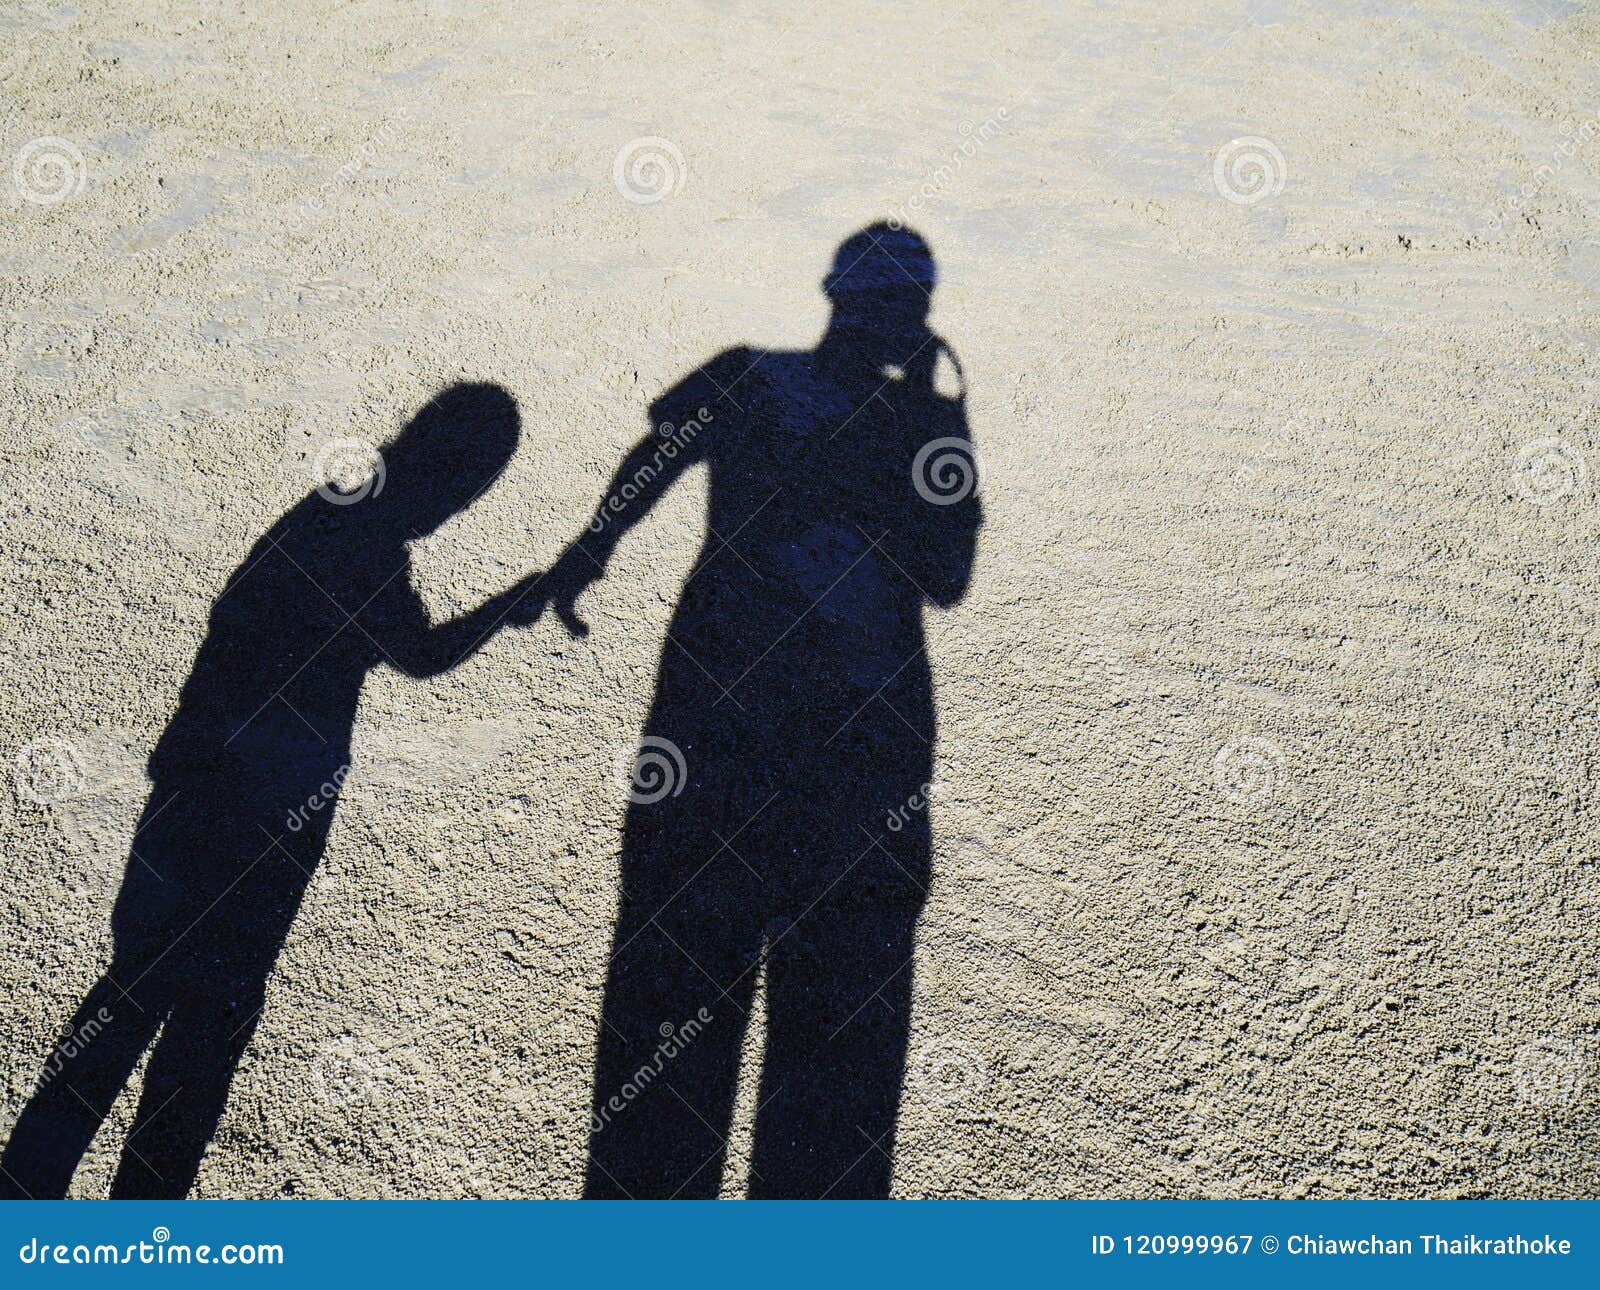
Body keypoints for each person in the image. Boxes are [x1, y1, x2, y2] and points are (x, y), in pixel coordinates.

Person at [1, 383, 543, 1199]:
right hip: (269, 808)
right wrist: (515, 599)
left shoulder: (325, 515)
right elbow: (422, 654)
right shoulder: (367, 550)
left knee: (134, 987)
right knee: (211, 1022)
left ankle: (23, 1191)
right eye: (470, 488)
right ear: (450, 481)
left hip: (191, 784)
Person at [532, 225, 982, 1197]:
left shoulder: (750, 379)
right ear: (916, 317)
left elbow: (655, 454)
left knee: (664, 1056)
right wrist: (949, 434)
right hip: (861, 773)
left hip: (713, 744)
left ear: (832, 291)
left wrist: (589, 555)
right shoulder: (921, 430)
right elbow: (947, 577)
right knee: (831, 1100)